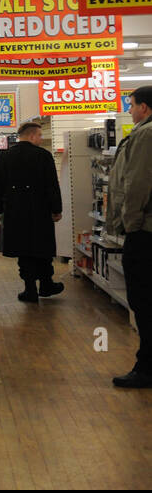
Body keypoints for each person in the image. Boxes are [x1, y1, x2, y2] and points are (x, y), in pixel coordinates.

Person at [108, 86, 152, 388]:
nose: (130, 110)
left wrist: (130, 224)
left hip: (145, 232)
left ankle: (147, 368)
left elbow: (137, 183)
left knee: (145, 301)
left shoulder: (145, 136)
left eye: (132, 105)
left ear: (145, 108)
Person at [0, 121, 64, 302]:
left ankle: (30, 289)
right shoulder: (44, 156)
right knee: (42, 249)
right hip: (40, 211)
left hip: (15, 212)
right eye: (40, 135)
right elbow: (52, 186)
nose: (41, 139)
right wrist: (57, 209)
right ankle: (46, 284)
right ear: (32, 135)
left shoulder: (4, 157)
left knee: (23, 251)